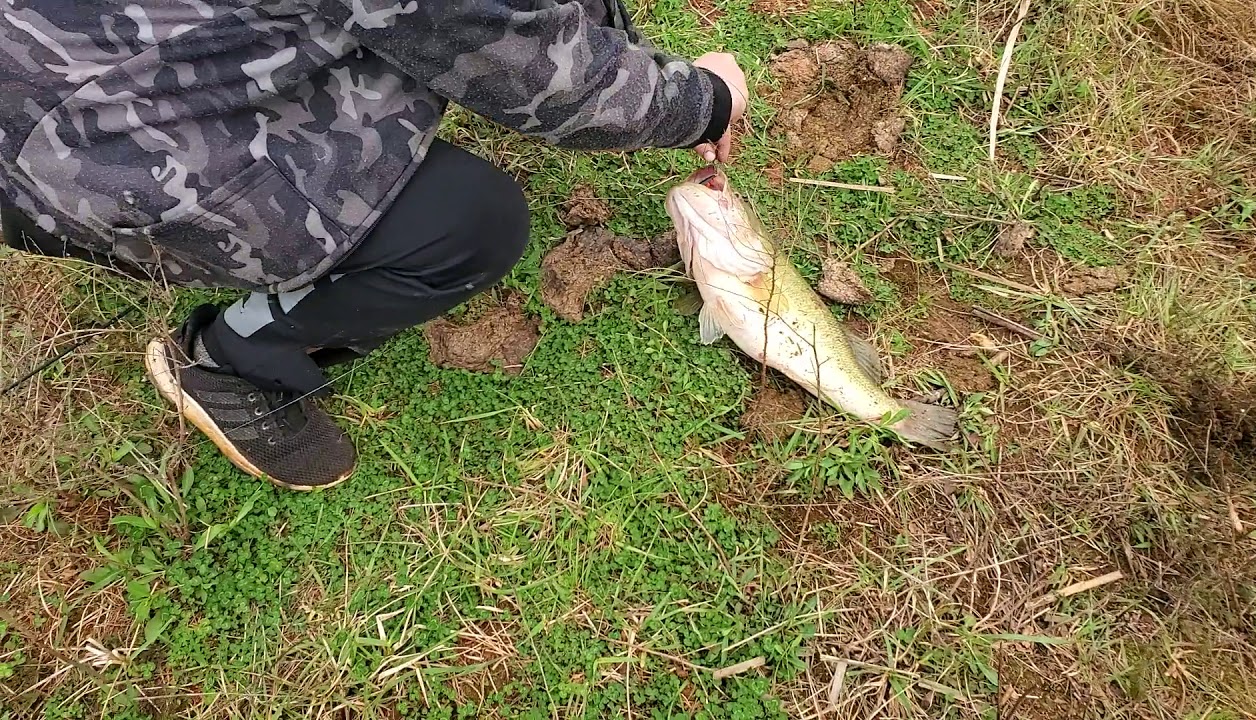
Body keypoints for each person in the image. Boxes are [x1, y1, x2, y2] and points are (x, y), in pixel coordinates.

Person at [0, 0, 749, 490]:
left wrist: (626, 47)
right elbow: (541, 74)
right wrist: (703, 101)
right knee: (472, 224)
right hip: (77, 160)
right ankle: (236, 356)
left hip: (72, 65)